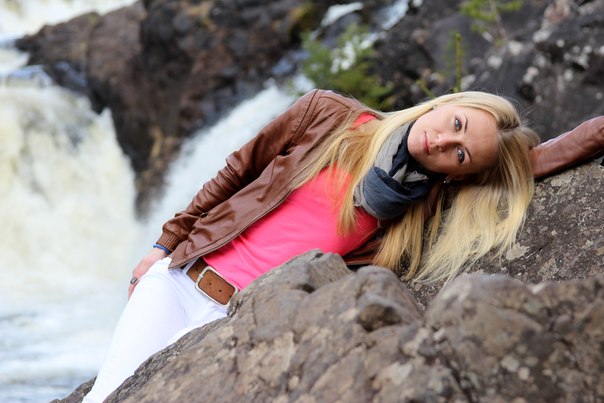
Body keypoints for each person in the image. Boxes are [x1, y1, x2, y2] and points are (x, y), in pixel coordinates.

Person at [83, 89, 603, 402]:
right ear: (447, 104)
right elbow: (236, 172)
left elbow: (523, 165)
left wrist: (596, 135)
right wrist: (163, 245)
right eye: (457, 123)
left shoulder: (420, 206)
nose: (444, 141)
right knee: (107, 395)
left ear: (458, 174)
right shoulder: (326, 114)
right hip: (180, 282)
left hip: (237, 325)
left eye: (460, 153)